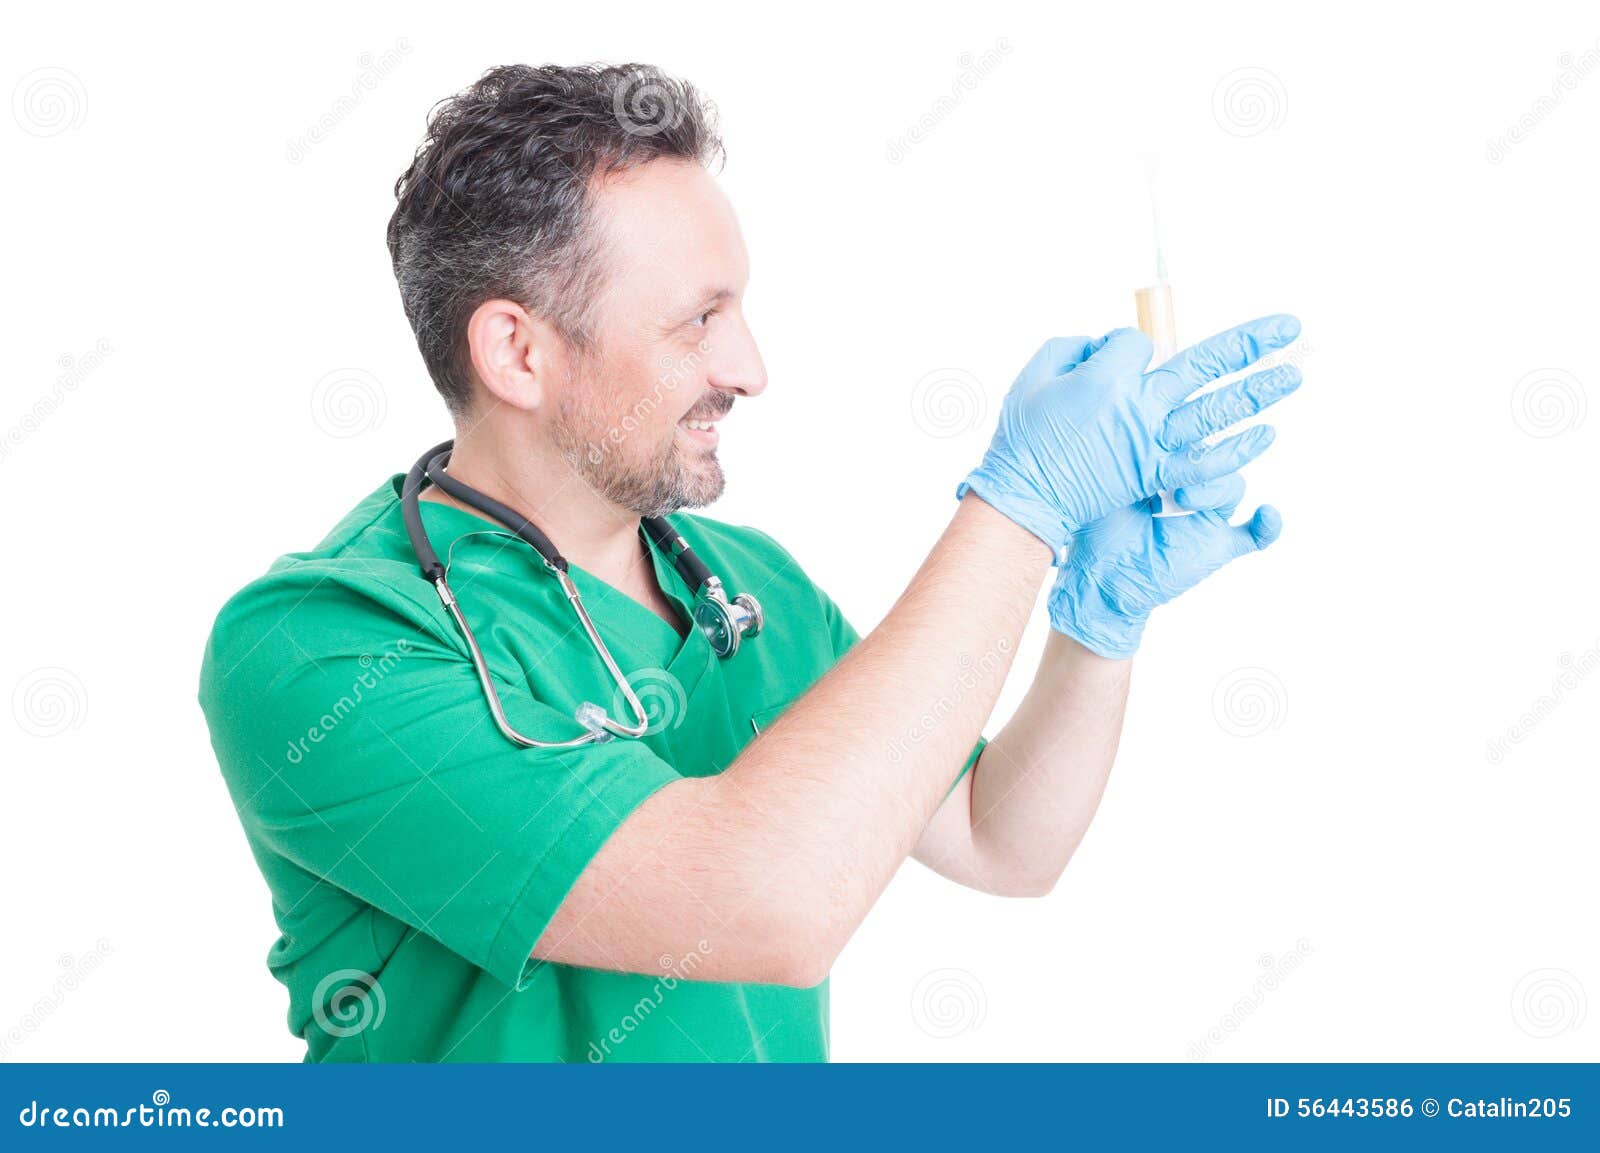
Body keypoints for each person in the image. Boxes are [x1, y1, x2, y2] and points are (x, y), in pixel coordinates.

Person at [198, 62, 1303, 1062]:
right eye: (697, 320)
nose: (751, 367)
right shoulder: (326, 643)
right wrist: (1017, 511)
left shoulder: (743, 586)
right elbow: (761, 907)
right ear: (518, 351)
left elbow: (996, 838)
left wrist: (1093, 629)